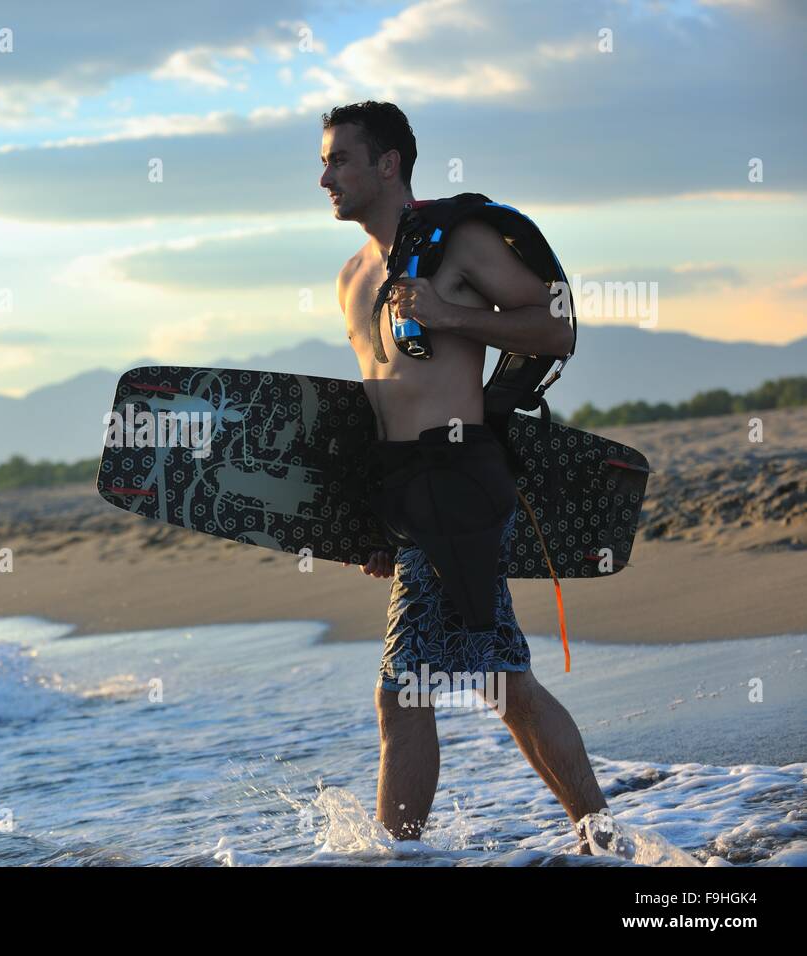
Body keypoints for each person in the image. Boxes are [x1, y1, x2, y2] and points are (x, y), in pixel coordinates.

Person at [322, 100, 610, 854]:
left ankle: (399, 856)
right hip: (409, 492)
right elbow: (385, 405)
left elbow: (556, 326)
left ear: (389, 164)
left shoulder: (458, 243)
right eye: (324, 162)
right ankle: (601, 837)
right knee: (504, 682)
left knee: (400, 695)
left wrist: (451, 316)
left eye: (340, 159)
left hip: (461, 478)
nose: (326, 177)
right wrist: (377, 524)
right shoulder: (352, 275)